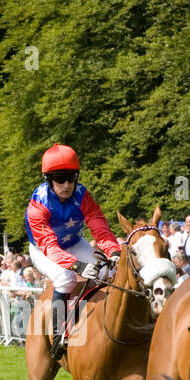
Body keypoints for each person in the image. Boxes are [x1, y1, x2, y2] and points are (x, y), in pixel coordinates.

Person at [24, 143, 122, 357]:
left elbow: (99, 226)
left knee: (108, 272)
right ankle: (58, 333)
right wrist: (77, 266)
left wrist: (114, 252)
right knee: (66, 278)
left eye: (71, 177)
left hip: (74, 242)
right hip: (43, 249)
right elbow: (49, 245)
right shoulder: (38, 205)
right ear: (48, 179)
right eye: (60, 178)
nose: (67, 184)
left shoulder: (82, 194)